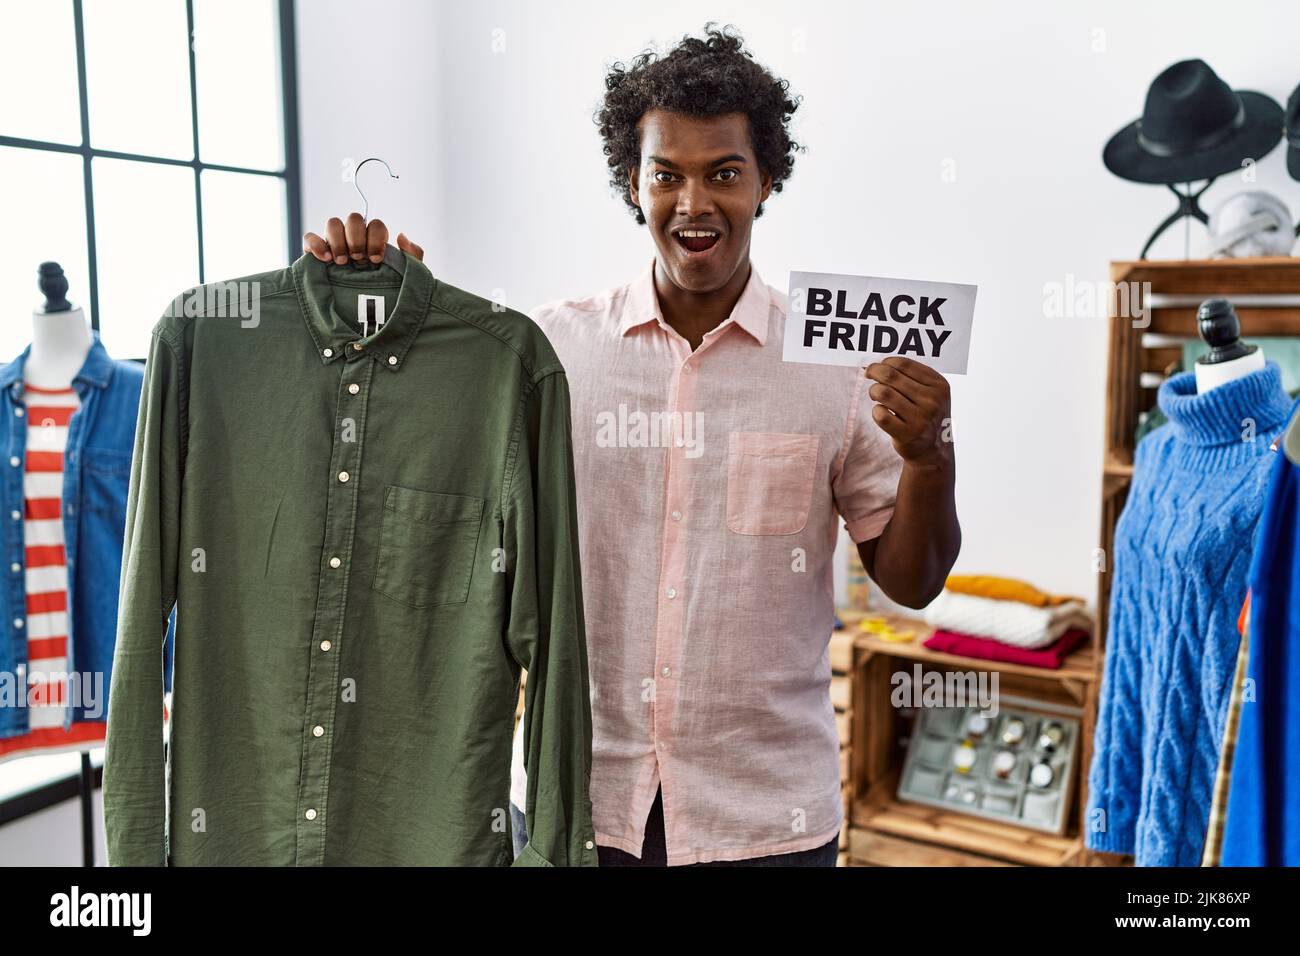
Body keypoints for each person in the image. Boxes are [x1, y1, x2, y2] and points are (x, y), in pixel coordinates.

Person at [305, 24, 960, 866]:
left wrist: (929, 457)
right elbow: (420, 467)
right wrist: (369, 300)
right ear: (634, 183)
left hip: (768, 826)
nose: (694, 203)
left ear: (767, 181)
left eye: (724, 173)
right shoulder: (549, 351)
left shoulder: (833, 370)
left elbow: (913, 581)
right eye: (667, 174)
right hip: (581, 806)